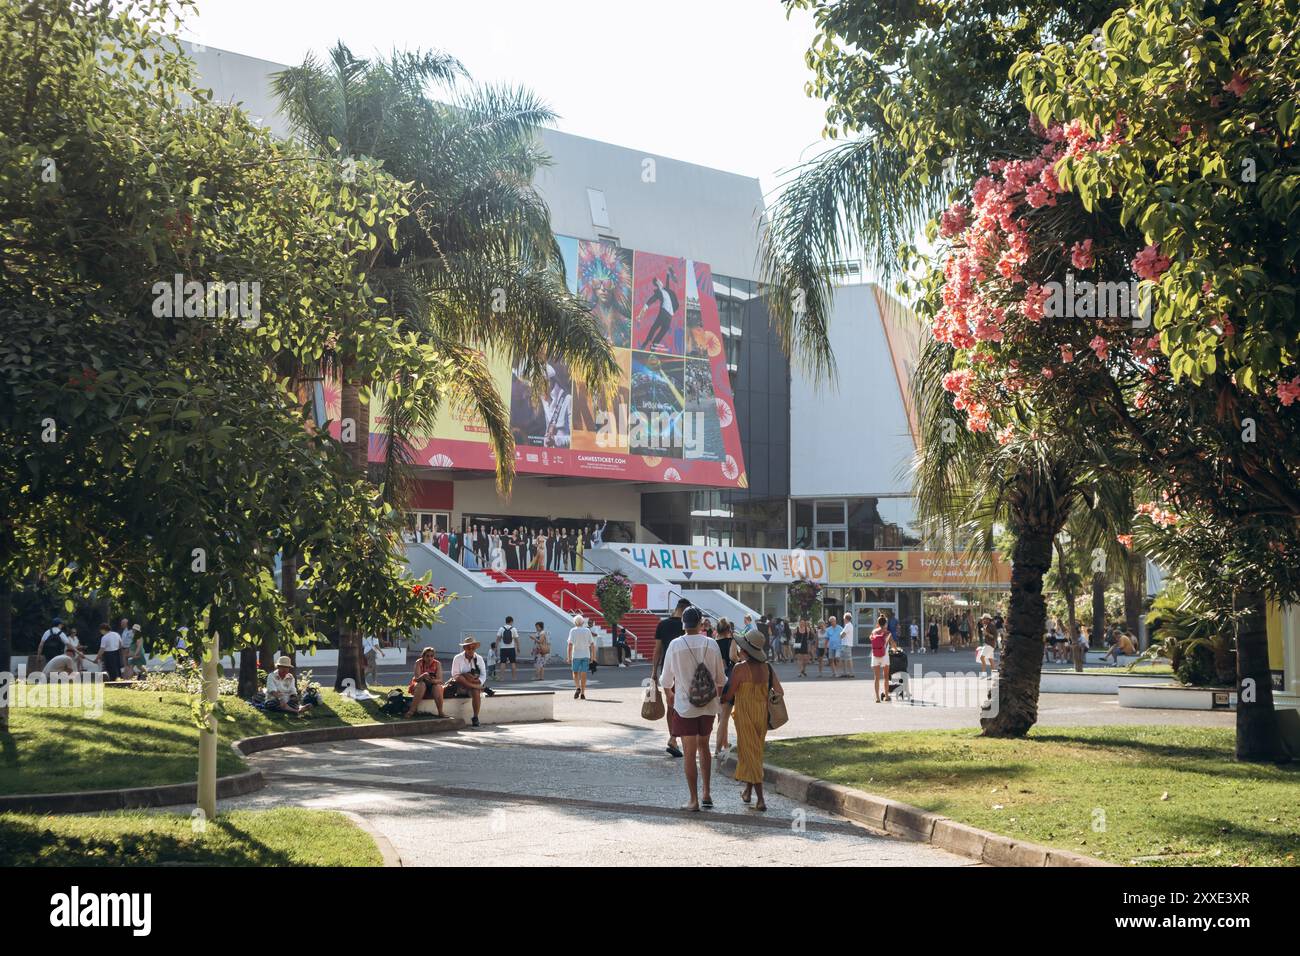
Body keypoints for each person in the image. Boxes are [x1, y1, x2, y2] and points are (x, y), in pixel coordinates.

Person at [658, 606, 725, 811]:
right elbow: (721, 679)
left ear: (683, 624)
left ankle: (693, 800)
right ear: (700, 623)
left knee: (689, 752)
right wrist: (714, 697)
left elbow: (666, 679)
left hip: (685, 706)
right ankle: (707, 793)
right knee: (704, 746)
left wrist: (670, 694)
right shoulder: (712, 644)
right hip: (708, 706)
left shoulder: (675, 645)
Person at [721, 626, 783, 811]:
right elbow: (779, 691)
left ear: (746, 650)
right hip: (762, 714)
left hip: (745, 715)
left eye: (741, 647)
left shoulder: (740, 669)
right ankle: (748, 792)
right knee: (753, 752)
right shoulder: (767, 668)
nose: (739, 650)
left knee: (750, 754)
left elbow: (728, 694)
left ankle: (761, 799)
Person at [652, 598, 690, 758]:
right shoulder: (687, 625)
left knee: (671, 706)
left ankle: (673, 737)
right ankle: (675, 738)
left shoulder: (663, 624)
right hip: (685, 670)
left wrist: (654, 671)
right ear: (686, 610)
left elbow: (657, 650)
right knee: (685, 705)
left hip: (667, 669)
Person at [713, 618, 741, 759]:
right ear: (729, 630)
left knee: (721, 716)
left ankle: (723, 745)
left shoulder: (713, 643)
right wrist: (739, 661)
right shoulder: (732, 641)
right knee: (727, 716)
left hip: (716, 680)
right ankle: (719, 748)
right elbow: (733, 656)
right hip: (729, 681)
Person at [447, 637, 488, 726]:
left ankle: (475, 717)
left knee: (476, 692)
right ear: (464, 648)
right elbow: (455, 675)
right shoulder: (457, 658)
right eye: (468, 648)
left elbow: (483, 674)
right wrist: (466, 676)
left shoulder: (479, 658)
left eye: (473, 648)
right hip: (460, 685)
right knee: (461, 678)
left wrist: (477, 681)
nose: (471, 650)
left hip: (474, 684)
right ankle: (476, 687)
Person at [404, 647, 447, 718]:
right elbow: (417, 679)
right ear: (423, 656)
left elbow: (440, 680)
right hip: (419, 685)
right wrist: (423, 676)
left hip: (432, 685)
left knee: (437, 687)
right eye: (427, 656)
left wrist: (432, 680)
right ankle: (411, 711)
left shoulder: (437, 663)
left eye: (431, 656)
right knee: (422, 685)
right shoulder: (419, 662)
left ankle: (440, 712)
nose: (429, 658)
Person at [869, 614, 899, 702]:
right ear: (886, 623)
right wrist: (896, 649)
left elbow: (871, 639)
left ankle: (877, 698)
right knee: (886, 677)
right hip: (884, 656)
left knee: (876, 677)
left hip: (875, 655)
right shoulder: (888, 633)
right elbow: (893, 644)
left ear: (878, 623)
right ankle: (886, 696)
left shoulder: (874, 632)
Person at [567, 614, 597, 700]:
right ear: (583, 622)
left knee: (575, 672)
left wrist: (568, 657)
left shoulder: (572, 631)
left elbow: (569, 645)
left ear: (575, 622)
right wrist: (593, 656)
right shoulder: (587, 631)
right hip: (586, 655)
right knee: (584, 674)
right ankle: (583, 693)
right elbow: (592, 644)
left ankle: (577, 687)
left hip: (576, 655)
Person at [497, 615, 520, 680]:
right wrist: (518, 647)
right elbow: (516, 639)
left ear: (506, 621)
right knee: (513, 662)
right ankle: (514, 677)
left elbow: (498, 639)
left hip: (503, 648)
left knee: (503, 663)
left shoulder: (501, 628)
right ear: (511, 621)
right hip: (511, 648)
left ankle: (502, 677)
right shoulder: (513, 629)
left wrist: (496, 647)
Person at [839, 612, 857, 678]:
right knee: (844, 659)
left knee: (848, 659)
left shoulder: (848, 625)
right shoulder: (849, 625)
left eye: (844, 618)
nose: (843, 620)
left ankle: (851, 673)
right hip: (846, 644)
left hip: (846, 644)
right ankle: (845, 672)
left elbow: (842, 635)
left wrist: (840, 634)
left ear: (846, 619)